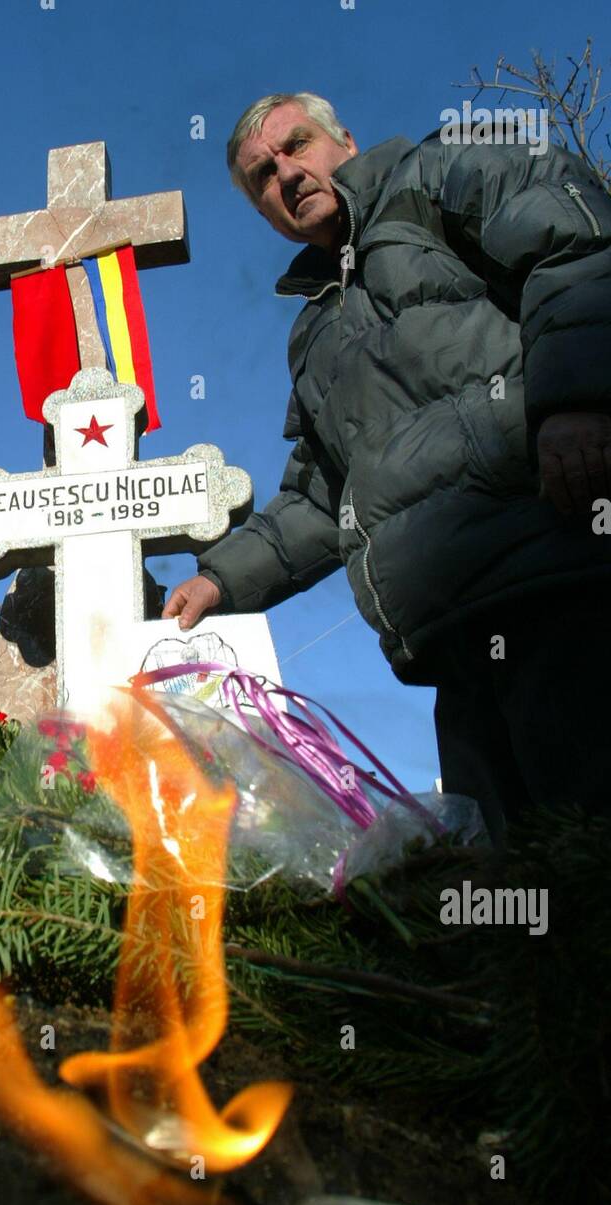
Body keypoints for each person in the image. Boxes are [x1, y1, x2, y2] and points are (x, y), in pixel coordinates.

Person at [162, 92, 611, 844]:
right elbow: (322, 491)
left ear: (342, 137)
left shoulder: (436, 175)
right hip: (445, 636)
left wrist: (579, 400)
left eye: (296, 146)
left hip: (559, 568)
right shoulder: (313, 335)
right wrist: (220, 578)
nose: (287, 175)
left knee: (592, 841)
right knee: (515, 888)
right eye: (263, 178)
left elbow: (575, 241)